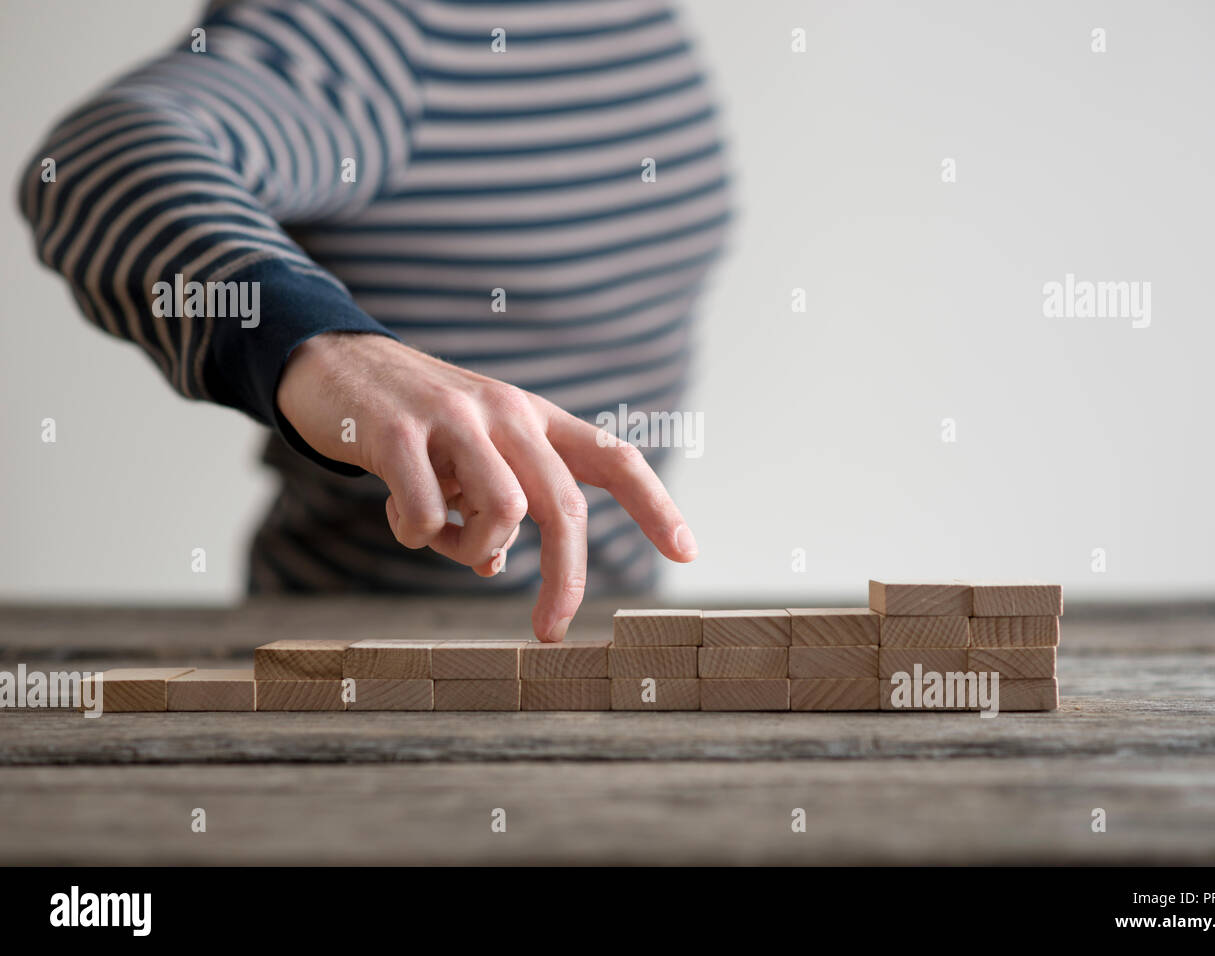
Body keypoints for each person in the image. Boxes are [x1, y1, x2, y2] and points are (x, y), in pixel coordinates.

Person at [17, 0, 730, 642]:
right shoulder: (380, 24)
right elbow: (99, 158)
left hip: (601, 648)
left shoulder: (642, 19)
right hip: (371, 665)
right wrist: (333, 350)